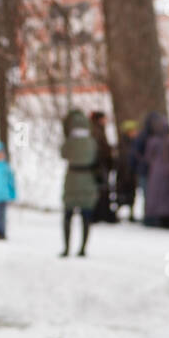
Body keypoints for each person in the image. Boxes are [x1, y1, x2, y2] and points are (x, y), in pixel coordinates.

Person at [60, 109, 99, 257]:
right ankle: (82, 248)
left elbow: (63, 153)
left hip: (72, 179)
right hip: (87, 179)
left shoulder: (70, 142)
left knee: (68, 215)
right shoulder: (91, 141)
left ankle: (66, 248)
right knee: (86, 215)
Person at [142, 112, 169, 228]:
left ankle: (156, 217)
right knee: (167, 196)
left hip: (156, 172)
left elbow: (148, 157)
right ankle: (166, 217)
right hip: (168, 171)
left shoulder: (153, 141)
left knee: (156, 195)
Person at [90, 111, 116, 223]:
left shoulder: (98, 130)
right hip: (99, 165)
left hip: (100, 164)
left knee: (102, 189)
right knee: (101, 189)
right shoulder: (96, 131)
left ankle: (100, 213)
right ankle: (99, 213)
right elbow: (100, 149)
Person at [115, 119, 139, 221]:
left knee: (131, 194)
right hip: (125, 173)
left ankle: (131, 212)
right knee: (123, 194)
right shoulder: (125, 144)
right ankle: (119, 211)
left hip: (130, 173)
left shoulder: (132, 142)